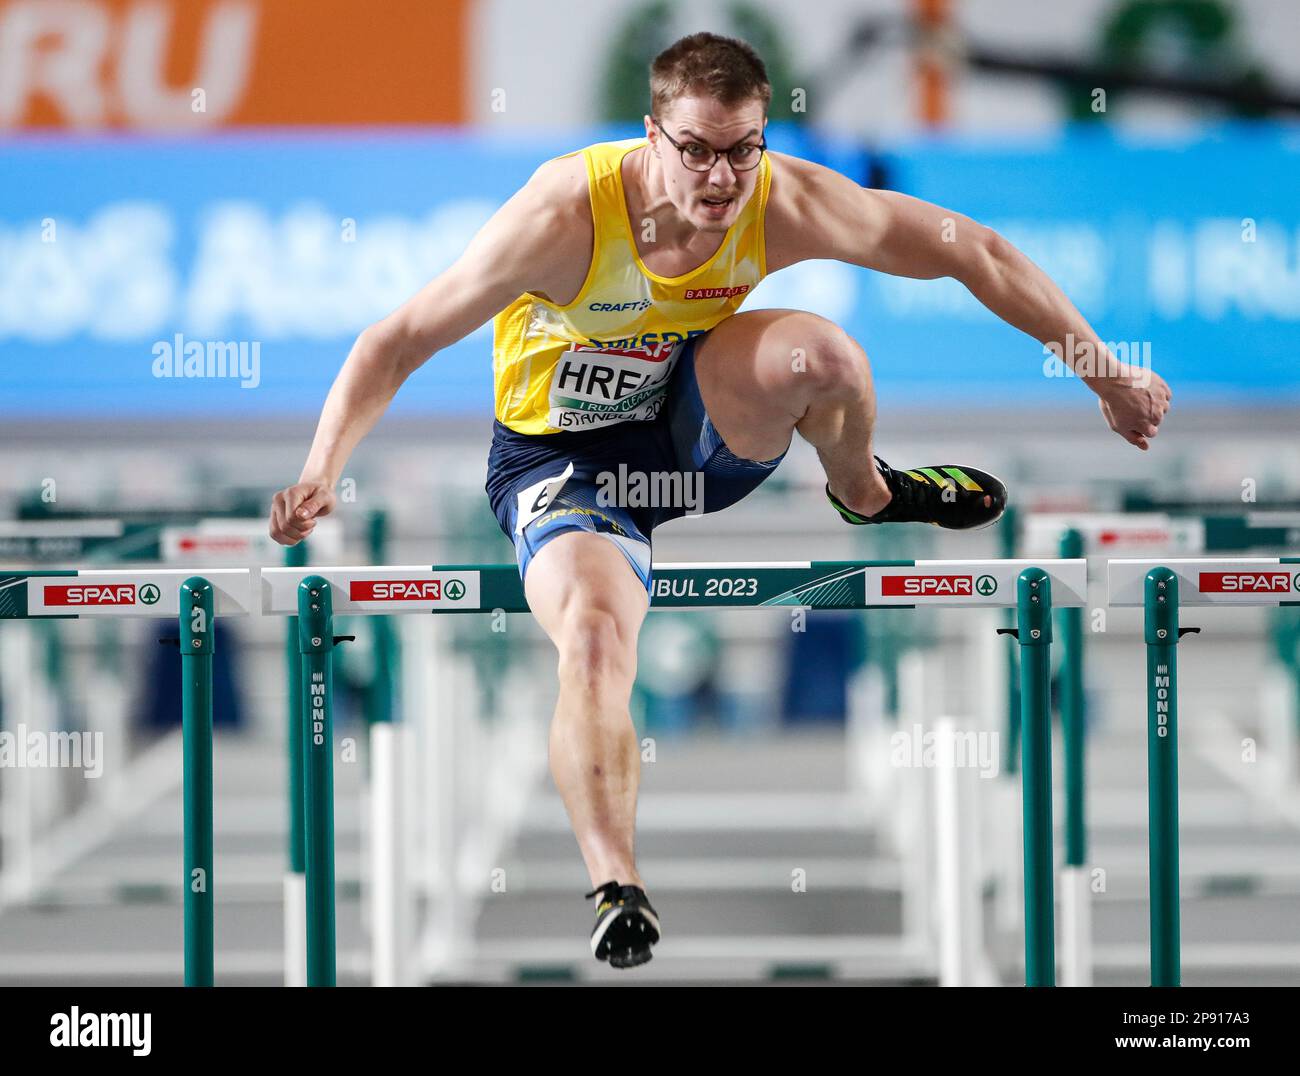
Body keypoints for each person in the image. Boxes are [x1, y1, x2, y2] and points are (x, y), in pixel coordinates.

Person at [268, 32, 1171, 970]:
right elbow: (397, 339)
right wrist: (322, 470)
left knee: (825, 357)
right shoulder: (562, 215)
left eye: (743, 148)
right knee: (591, 638)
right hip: (563, 467)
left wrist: (1102, 372)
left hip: (697, 437)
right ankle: (618, 883)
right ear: (651, 135)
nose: (720, 178)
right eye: (696, 149)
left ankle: (864, 489)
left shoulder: (781, 199)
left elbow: (971, 250)